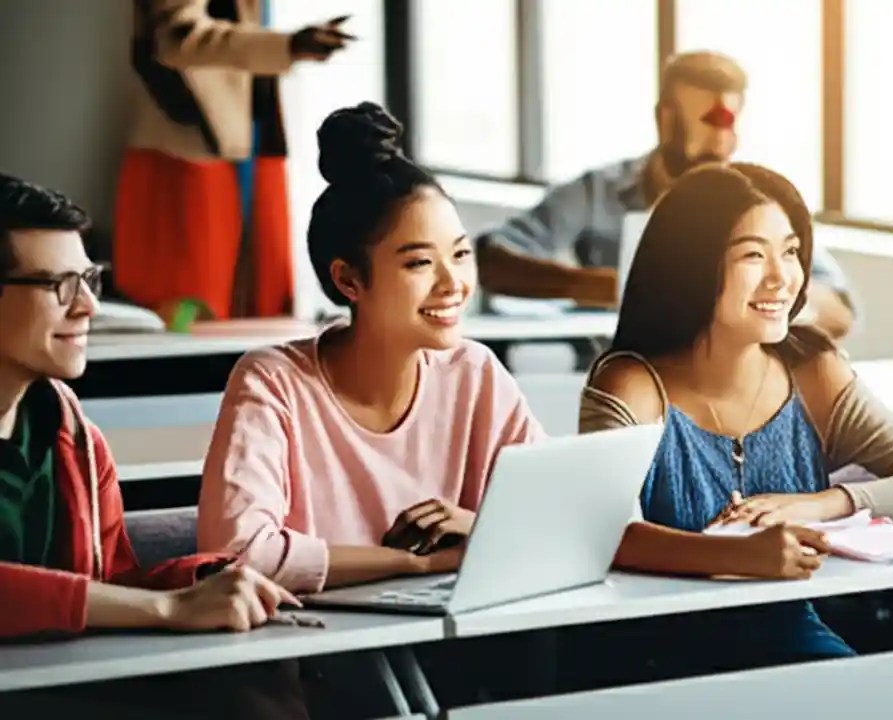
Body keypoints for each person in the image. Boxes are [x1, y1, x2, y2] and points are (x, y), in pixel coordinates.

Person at [196, 103, 546, 712]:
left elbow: (558, 518)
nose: (452, 283)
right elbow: (237, 555)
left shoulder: (477, 373)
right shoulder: (273, 381)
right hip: (310, 667)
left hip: (451, 653)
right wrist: (410, 565)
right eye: (418, 263)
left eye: (460, 254)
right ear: (349, 280)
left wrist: (478, 526)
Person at [570, 162, 893, 689]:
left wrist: (825, 502)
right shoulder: (631, 384)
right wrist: (738, 555)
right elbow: (604, 535)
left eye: (790, 251)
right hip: (652, 663)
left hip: (790, 642)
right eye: (753, 255)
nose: (782, 277)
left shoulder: (813, 371)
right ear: (691, 265)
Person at [0, 172, 306, 717]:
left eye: (89, 279)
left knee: (253, 681)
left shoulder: (73, 439)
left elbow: (113, 585)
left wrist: (204, 580)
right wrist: (165, 607)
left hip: (67, 680)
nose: (89, 305)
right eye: (59, 286)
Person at [476, 50, 857, 340]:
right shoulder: (600, 191)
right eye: (706, 125)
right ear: (665, 120)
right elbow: (492, 260)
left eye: (729, 127)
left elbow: (839, 311)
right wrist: (625, 286)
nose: (721, 144)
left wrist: (762, 292)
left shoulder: (759, 201)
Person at [114, 0, 351, 322]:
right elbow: (174, 37)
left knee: (261, 301)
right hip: (193, 141)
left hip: (246, 134)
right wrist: (286, 45)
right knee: (189, 310)